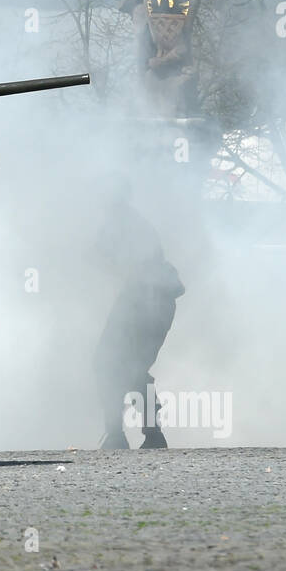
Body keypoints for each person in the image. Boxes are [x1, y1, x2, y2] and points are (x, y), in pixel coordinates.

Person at [95, 178, 185, 449]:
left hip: (146, 299)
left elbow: (106, 253)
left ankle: (119, 434)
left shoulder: (126, 223)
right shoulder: (128, 222)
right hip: (147, 298)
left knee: (111, 362)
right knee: (125, 365)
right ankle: (141, 433)